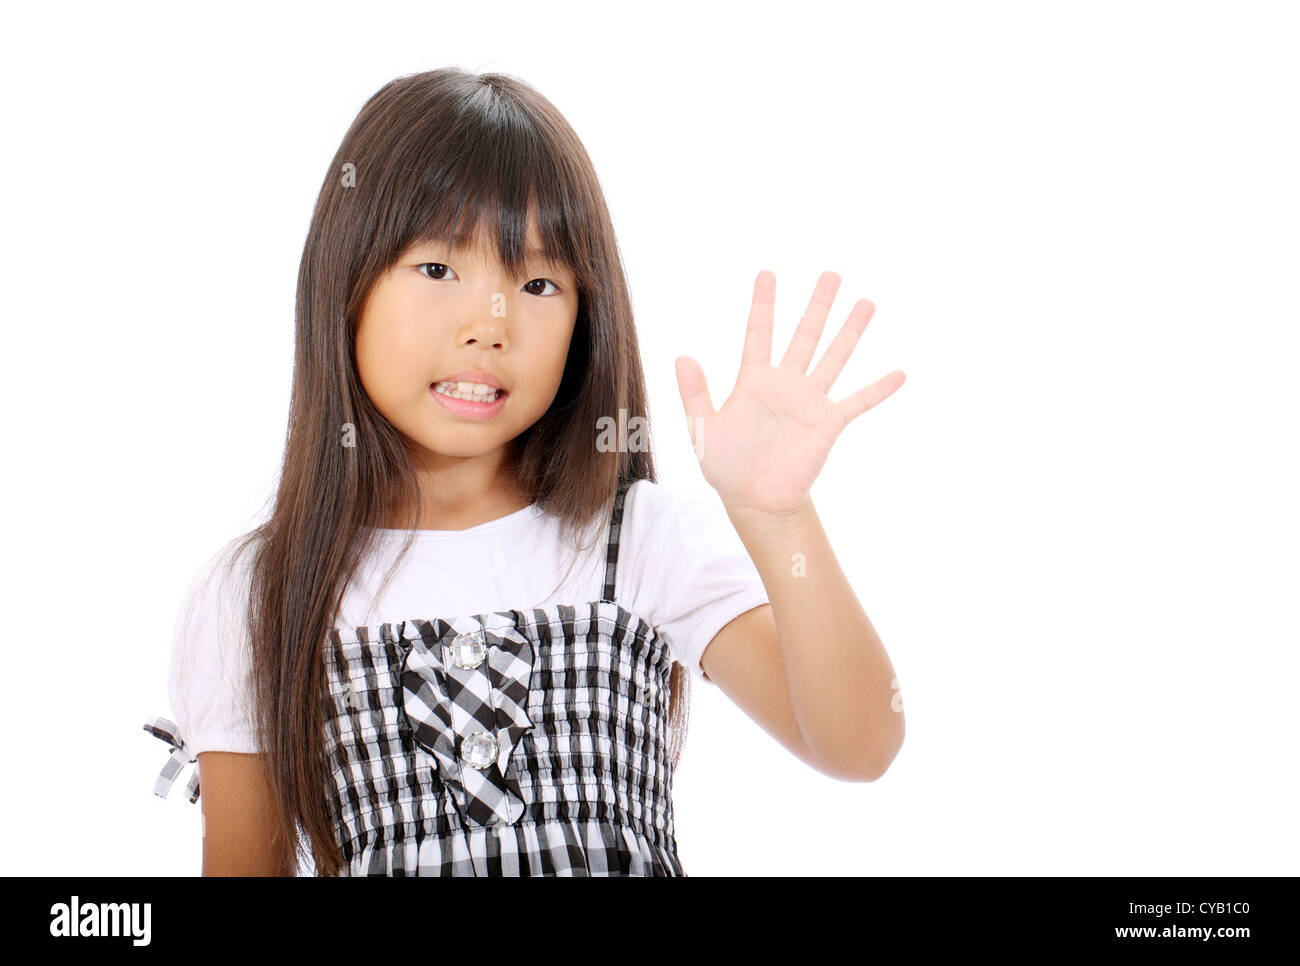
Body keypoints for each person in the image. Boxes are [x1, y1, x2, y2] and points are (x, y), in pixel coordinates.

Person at [141, 66, 907, 876]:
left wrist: (778, 518)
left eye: (538, 282)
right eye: (438, 270)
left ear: (586, 318)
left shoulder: (639, 541)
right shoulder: (259, 593)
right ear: (347, 284)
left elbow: (860, 743)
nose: (489, 324)